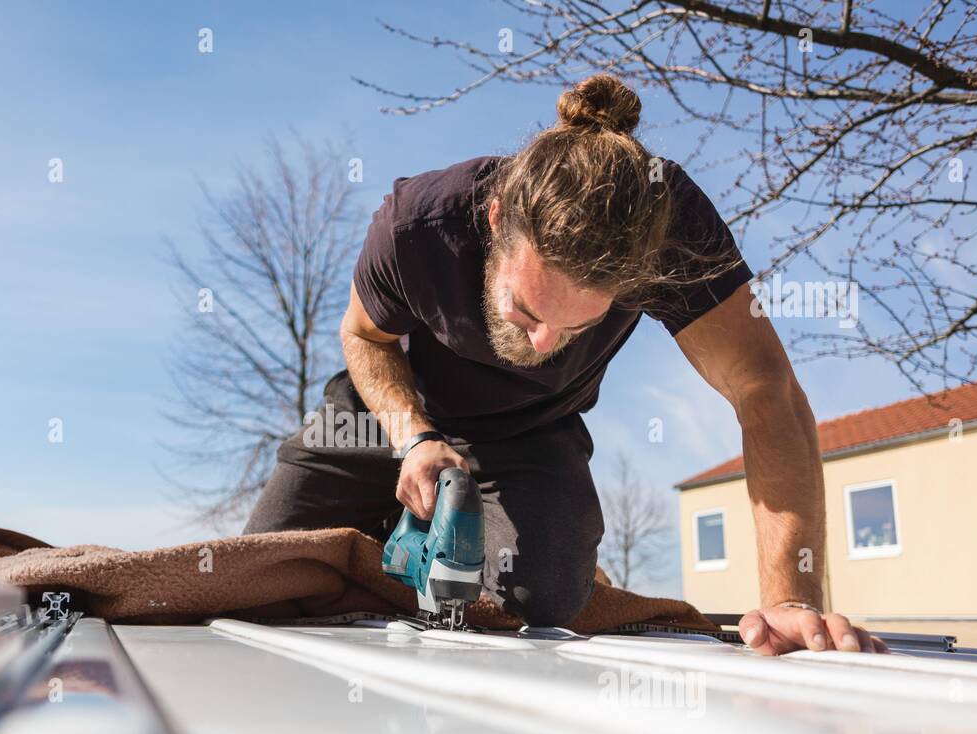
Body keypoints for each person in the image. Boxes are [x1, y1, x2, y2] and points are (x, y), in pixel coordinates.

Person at [244, 74, 885, 655]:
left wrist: (791, 598)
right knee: (260, 575)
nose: (545, 345)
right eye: (526, 312)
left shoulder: (668, 226)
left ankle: (519, 558)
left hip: (531, 431)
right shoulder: (419, 224)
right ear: (496, 221)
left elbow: (764, 387)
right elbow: (363, 335)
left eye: (577, 326)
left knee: (549, 593)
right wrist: (415, 438)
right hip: (388, 412)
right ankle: (393, 531)